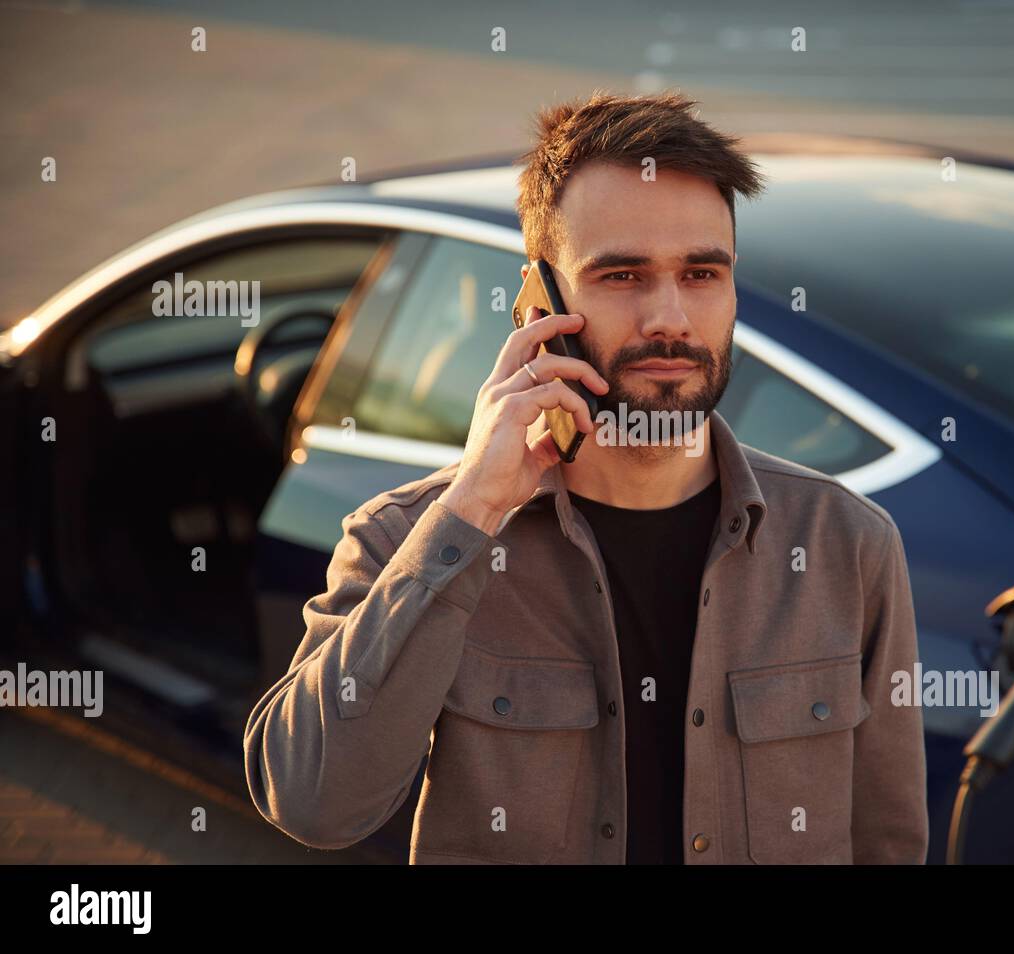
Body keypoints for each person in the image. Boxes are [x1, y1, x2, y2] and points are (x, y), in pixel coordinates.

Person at [244, 89, 928, 864]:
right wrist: (470, 509)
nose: (669, 316)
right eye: (623, 276)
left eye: (702, 273)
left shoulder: (848, 546)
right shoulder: (409, 536)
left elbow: (888, 842)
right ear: (541, 304)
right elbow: (312, 802)